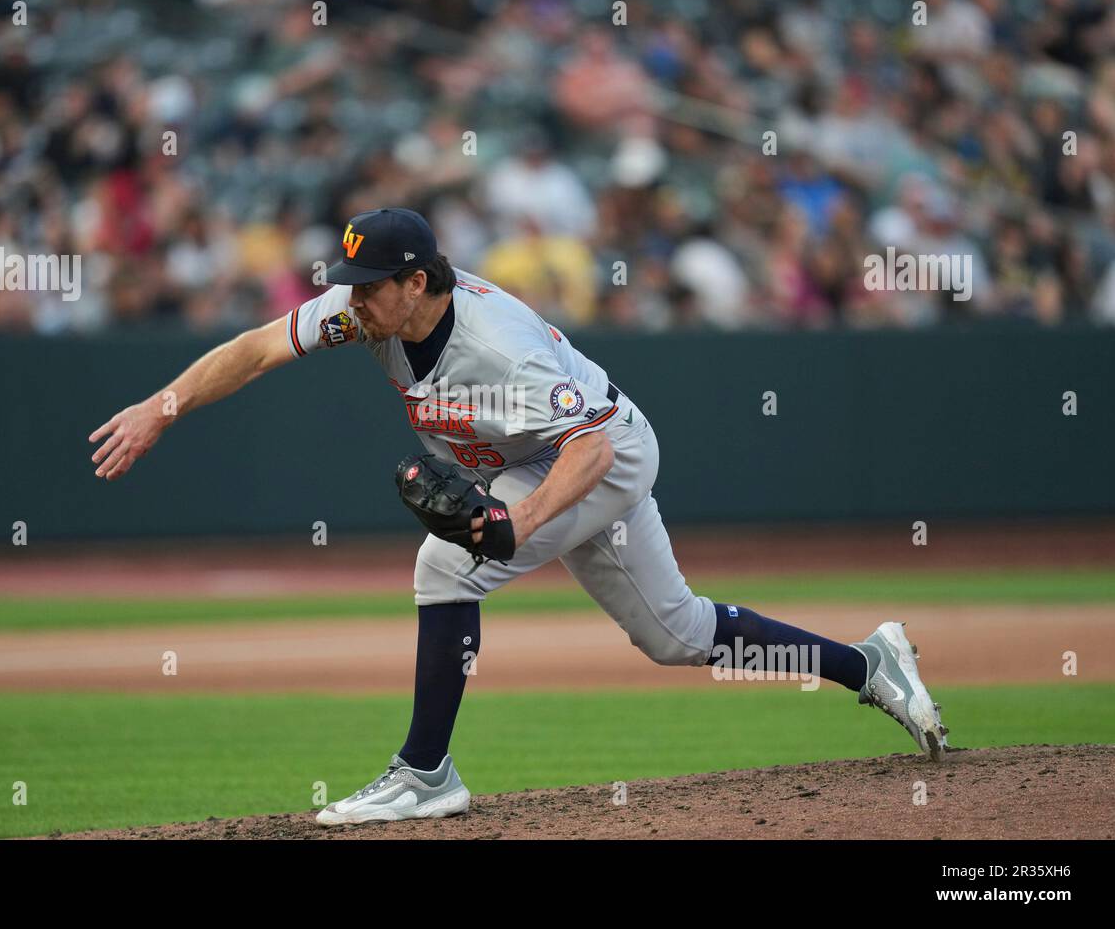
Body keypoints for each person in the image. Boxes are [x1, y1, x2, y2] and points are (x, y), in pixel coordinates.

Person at [89, 207, 950, 826]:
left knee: (445, 564)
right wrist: (162, 407)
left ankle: (426, 772)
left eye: (369, 285)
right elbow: (257, 350)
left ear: (417, 282)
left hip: (599, 453)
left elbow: (592, 451)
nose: (351, 299)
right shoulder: (369, 315)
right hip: (532, 460)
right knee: (676, 634)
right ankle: (870, 664)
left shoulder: (499, 345)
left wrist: (519, 522)